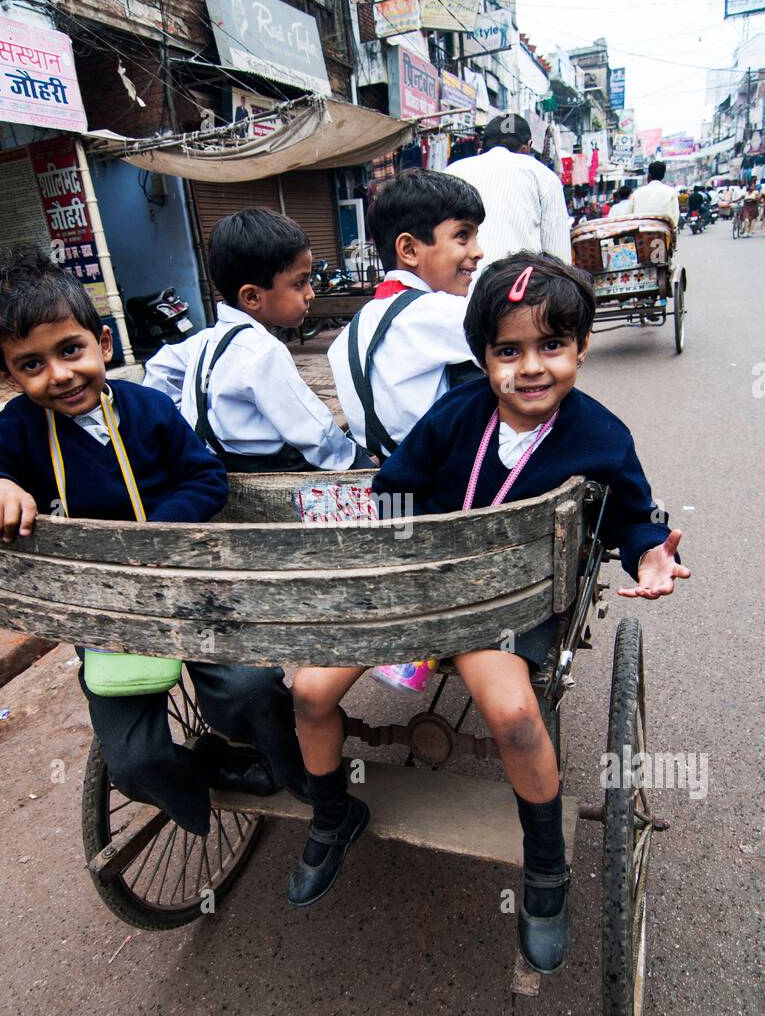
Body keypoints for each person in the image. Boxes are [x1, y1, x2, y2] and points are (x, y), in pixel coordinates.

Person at [287, 253, 689, 974]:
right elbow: (394, 490)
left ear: (581, 347)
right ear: (483, 356)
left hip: (505, 606)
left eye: (551, 346)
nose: (531, 367)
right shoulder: (455, 412)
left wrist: (650, 555)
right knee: (308, 690)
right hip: (421, 589)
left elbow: (633, 519)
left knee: (509, 715)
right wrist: (400, 548)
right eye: (509, 350)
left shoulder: (601, 435)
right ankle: (332, 814)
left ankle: (544, 872)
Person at [0, 247, 309, 835]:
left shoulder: (149, 408)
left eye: (70, 350)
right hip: (105, 613)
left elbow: (206, 476)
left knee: (253, 689)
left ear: (102, 344)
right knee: (133, 763)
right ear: (9, 376)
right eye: (31, 365)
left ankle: (296, 769)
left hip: (189, 590)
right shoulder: (23, 428)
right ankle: (202, 774)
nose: (59, 374)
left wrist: (159, 533)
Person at [145, 210, 371, 472]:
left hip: (221, 461)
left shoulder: (205, 341)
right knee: (382, 478)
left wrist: (183, 420)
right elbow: (314, 429)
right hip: (272, 467)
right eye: (299, 283)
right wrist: (357, 462)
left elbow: (158, 369)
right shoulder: (262, 352)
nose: (310, 294)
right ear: (252, 297)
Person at [328, 169, 485, 460]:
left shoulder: (349, 332)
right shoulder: (444, 312)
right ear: (409, 249)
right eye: (462, 236)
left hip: (390, 473)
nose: (478, 251)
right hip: (445, 473)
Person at [443, 113, 571, 266]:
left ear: (481, 147)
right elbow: (558, 258)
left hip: (456, 284)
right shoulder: (543, 176)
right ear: (528, 147)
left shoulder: (451, 172)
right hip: (521, 285)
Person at [630, 162, 680, 228]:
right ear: (663, 176)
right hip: (663, 233)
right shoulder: (671, 192)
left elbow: (630, 215)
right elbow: (675, 217)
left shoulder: (636, 193)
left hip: (641, 232)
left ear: (649, 175)